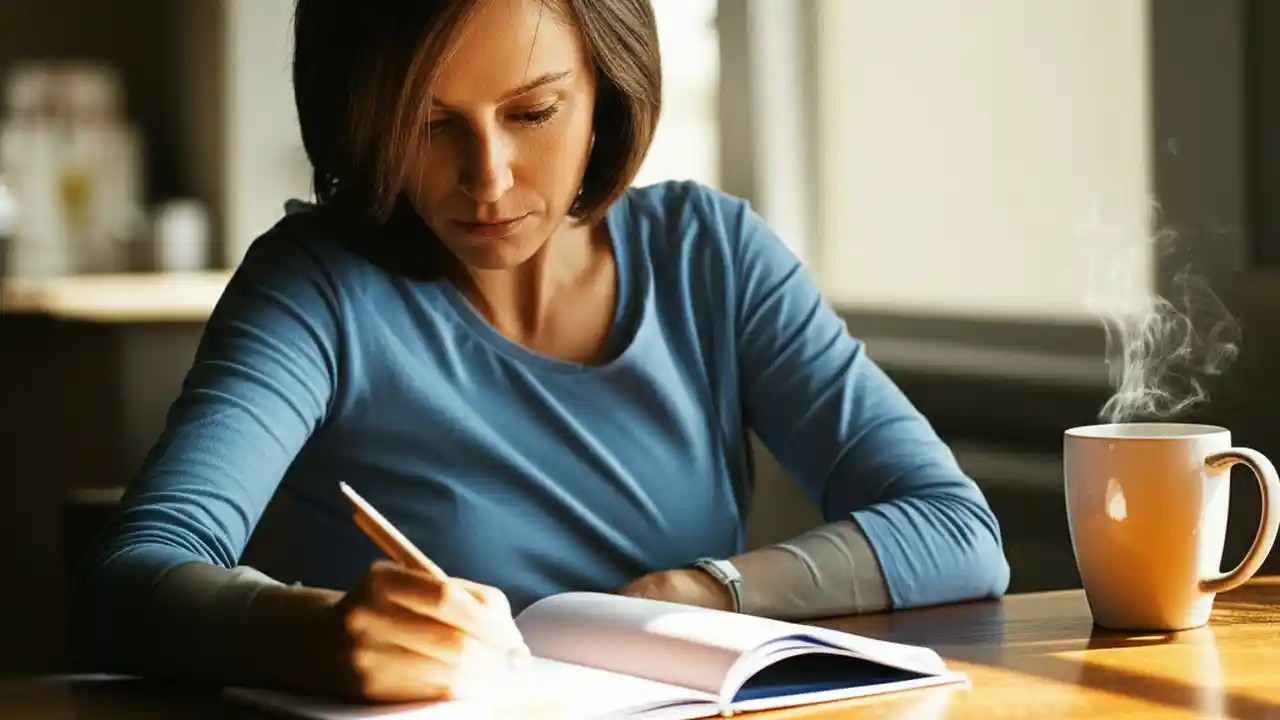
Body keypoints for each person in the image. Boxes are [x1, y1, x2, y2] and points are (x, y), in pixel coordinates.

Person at [70, 0, 1009, 703]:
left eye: (534, 112)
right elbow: (128, 576)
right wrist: (304, 630)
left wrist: (709, 590)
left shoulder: (709, 257)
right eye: (431, 125)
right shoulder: (317, 284)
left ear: (605, 90)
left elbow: (955, 531)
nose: (487, 180)